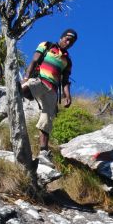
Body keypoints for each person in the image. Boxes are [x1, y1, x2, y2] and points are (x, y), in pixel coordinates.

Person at [22, 28, 76, 165]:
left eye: (72, 42)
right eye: (67, 39)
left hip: (52, 90)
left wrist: (67, 96)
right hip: (40, 80)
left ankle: (43, 152)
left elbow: (65, 80)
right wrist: (26, 77)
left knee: (47, 120)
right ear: (62, 37)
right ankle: (26, 95)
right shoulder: (46, 45)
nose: (69, 43)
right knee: (24, 89)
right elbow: (34, 61)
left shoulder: (67, 61)